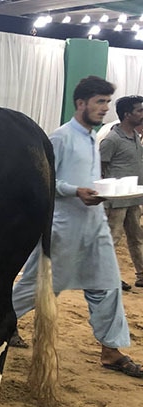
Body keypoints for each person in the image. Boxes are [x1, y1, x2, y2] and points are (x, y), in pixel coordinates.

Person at [10, 76, 143, 377]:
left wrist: (101, 192)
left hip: (95, 227)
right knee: (37, 289)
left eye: (108, 102)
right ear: (81, 103)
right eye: (100, 102)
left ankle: (111, 352)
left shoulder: (91, 138)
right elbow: (44, 181)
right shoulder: (61, 138)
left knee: (108, 287)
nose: (105, 108)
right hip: (63, 229)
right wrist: (75, 191)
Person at [99, 95, 143, 291]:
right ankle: (107, 277)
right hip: (116, 201)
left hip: (133, 196)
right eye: (139, 111)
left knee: (137, 237)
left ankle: (141, 275)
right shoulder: (112, 140)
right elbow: (100, 168)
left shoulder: (135, 137)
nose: (142, 114)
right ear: (127, 114)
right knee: (112, 239)